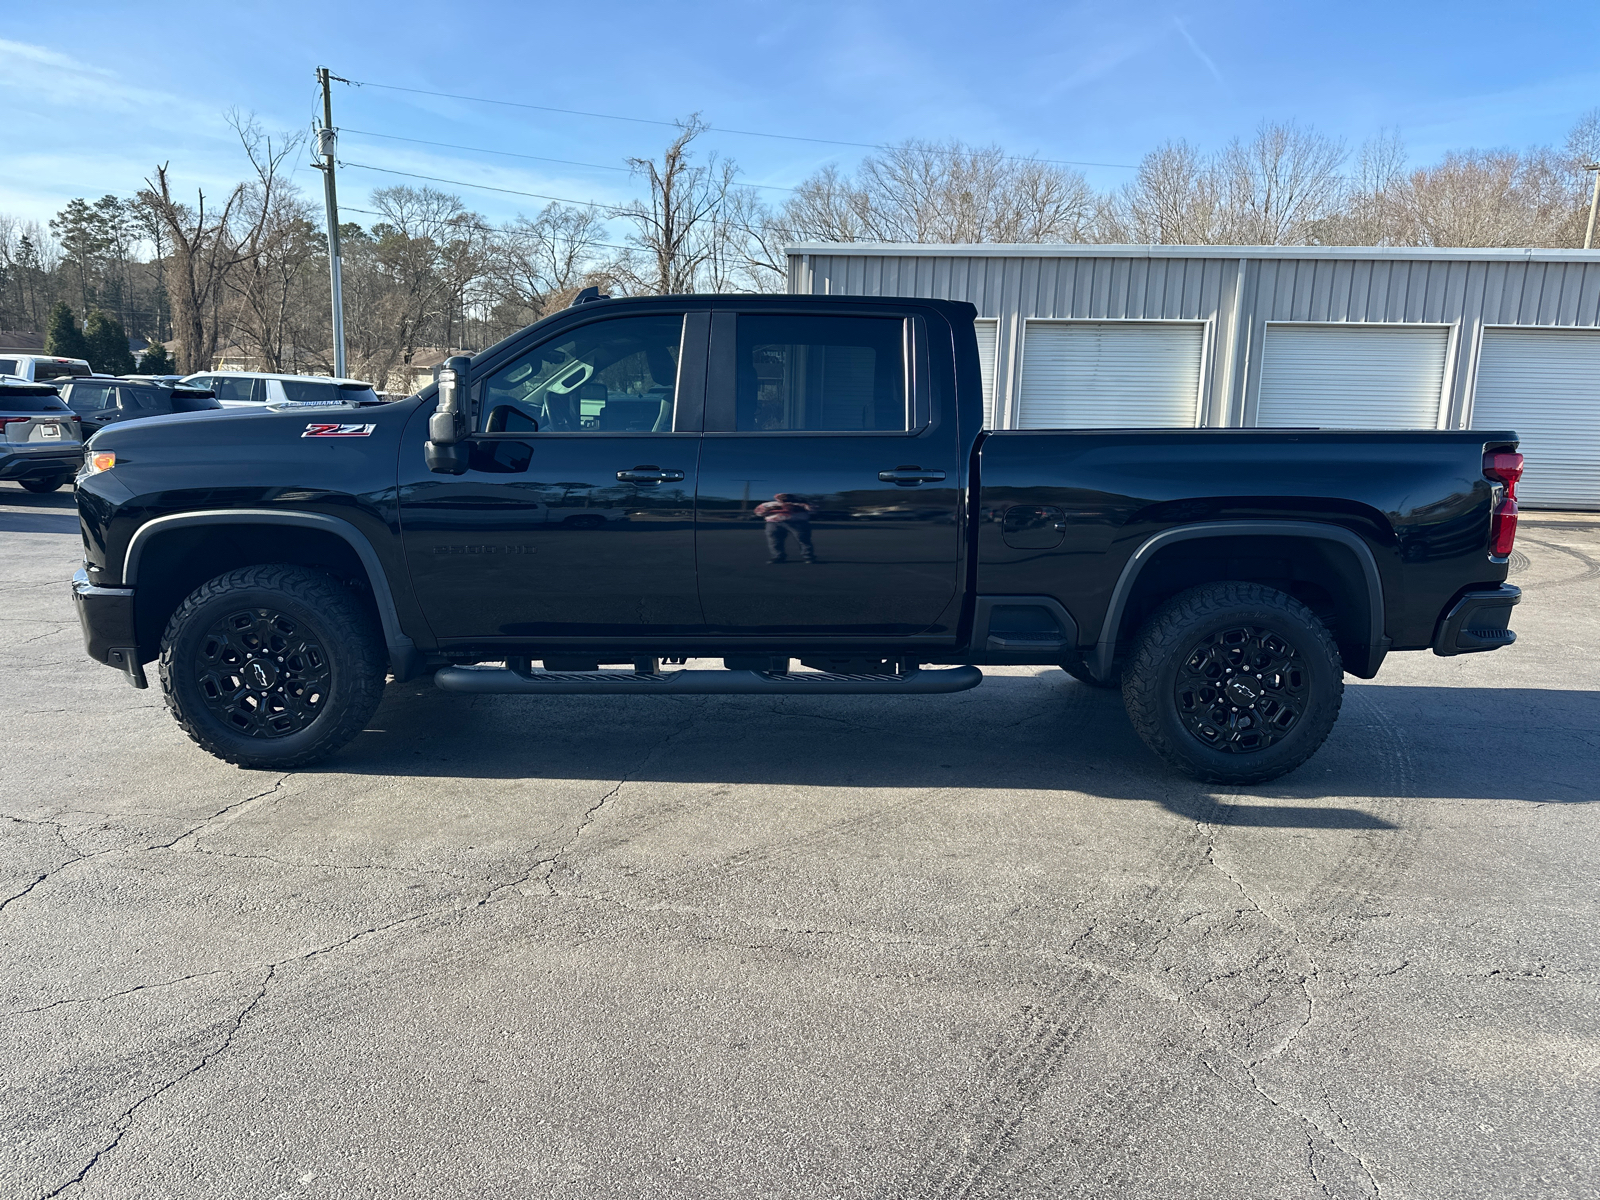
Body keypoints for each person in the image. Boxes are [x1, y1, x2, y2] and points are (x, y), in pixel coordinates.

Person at [754, 493, 817, 563]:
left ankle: (808, 556)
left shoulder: (802, 504)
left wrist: (799, 506)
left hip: (797, 523)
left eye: (786, 497)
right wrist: (768, 510)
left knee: (803, 539)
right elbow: (758, 512)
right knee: (774, 541)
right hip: (774, 523)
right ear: (776, 497)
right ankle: (777, 556)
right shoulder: (768, 504)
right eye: (781, 497)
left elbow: (813, 511)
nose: (784, 498)